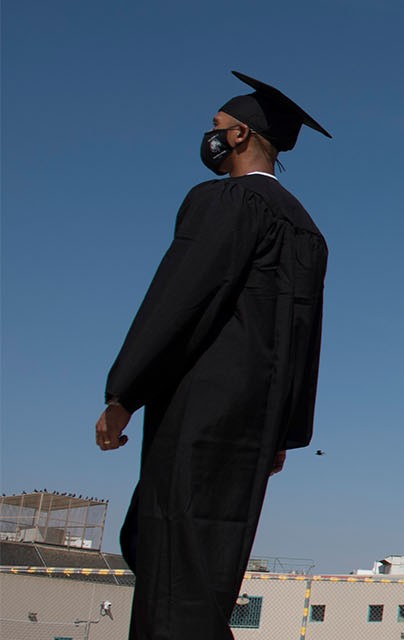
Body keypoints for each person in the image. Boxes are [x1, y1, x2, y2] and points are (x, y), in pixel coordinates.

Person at [95, 70, 332, 638]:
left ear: (242, 136)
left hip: (201, 406)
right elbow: (303, 338)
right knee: (207, 562)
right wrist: (284, 432)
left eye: (218, 128)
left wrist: (124, 392)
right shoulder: (307, 230)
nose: (212, 136)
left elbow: (181, 298)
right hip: (257, 419)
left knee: (170, 556)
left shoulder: (225, 201)